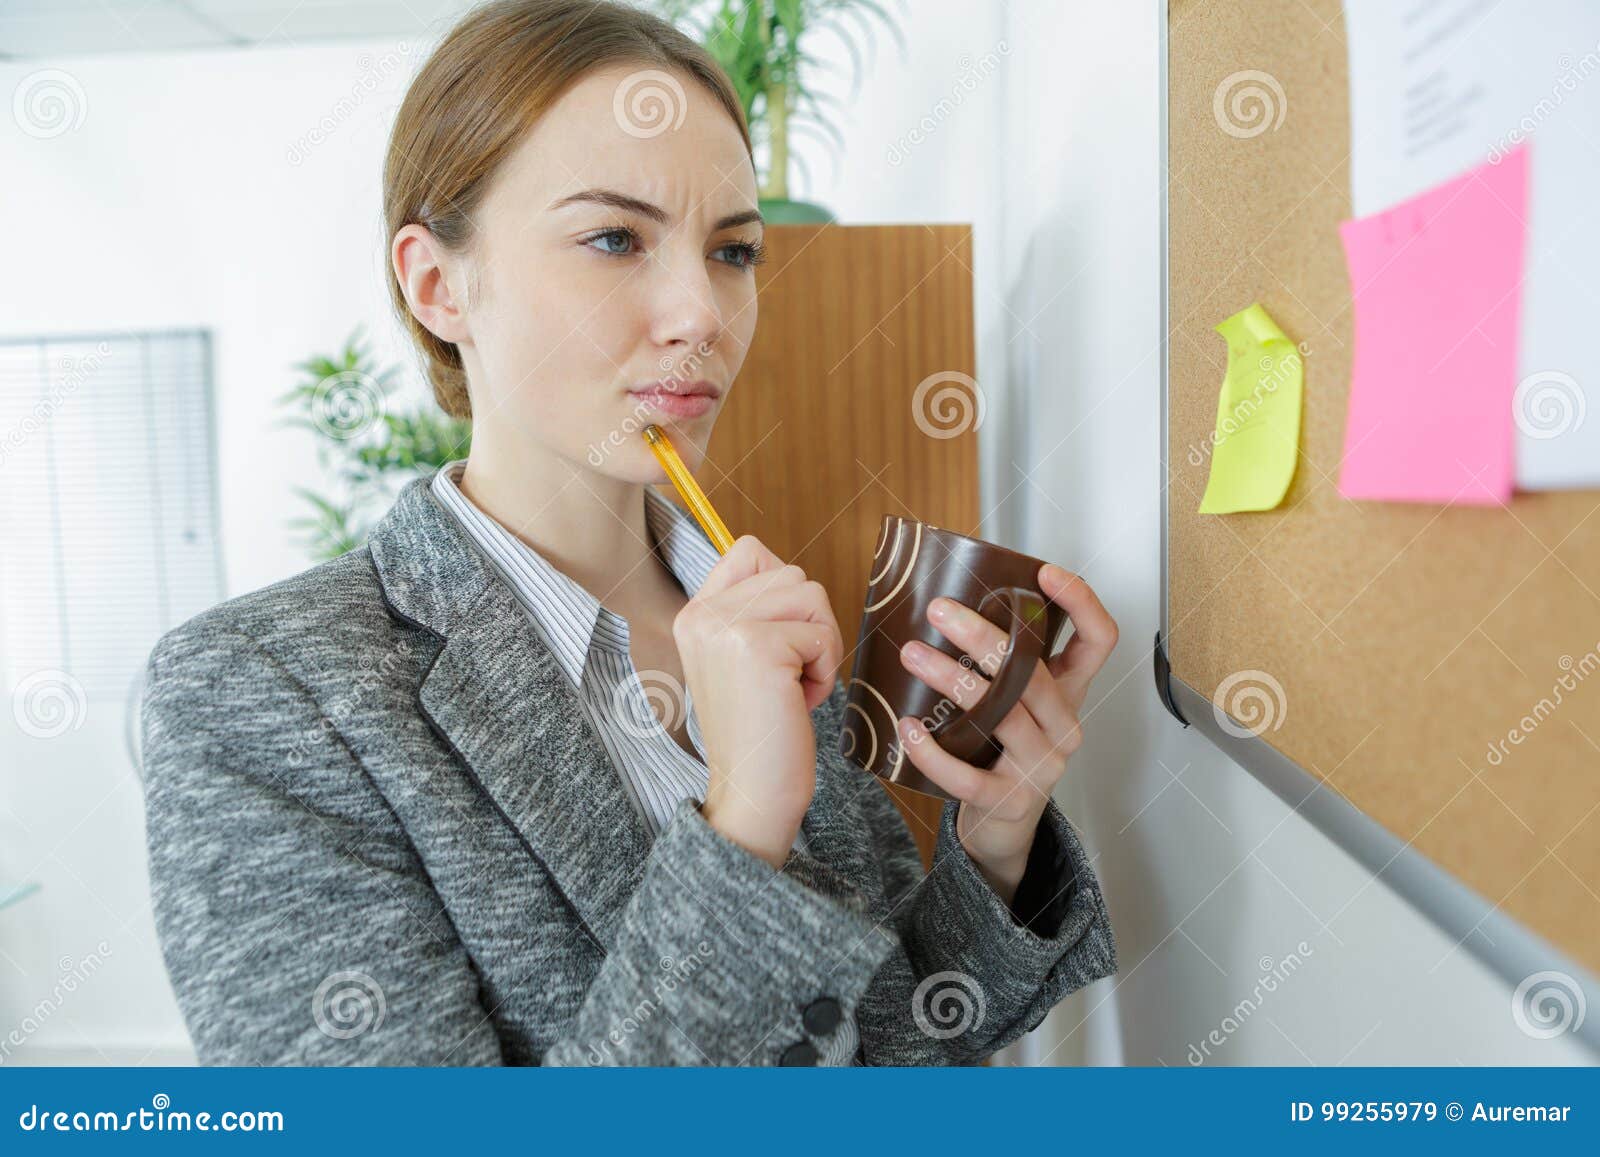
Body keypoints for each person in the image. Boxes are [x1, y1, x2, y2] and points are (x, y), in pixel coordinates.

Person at [140, 0, 1120, 1067]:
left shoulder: (753, 615)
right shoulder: (256, 689)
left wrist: (994, 839)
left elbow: (875, 1048)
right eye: (614, 238)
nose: (703, 314)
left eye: (733, 250)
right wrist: (744, 821)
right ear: (439, 286)